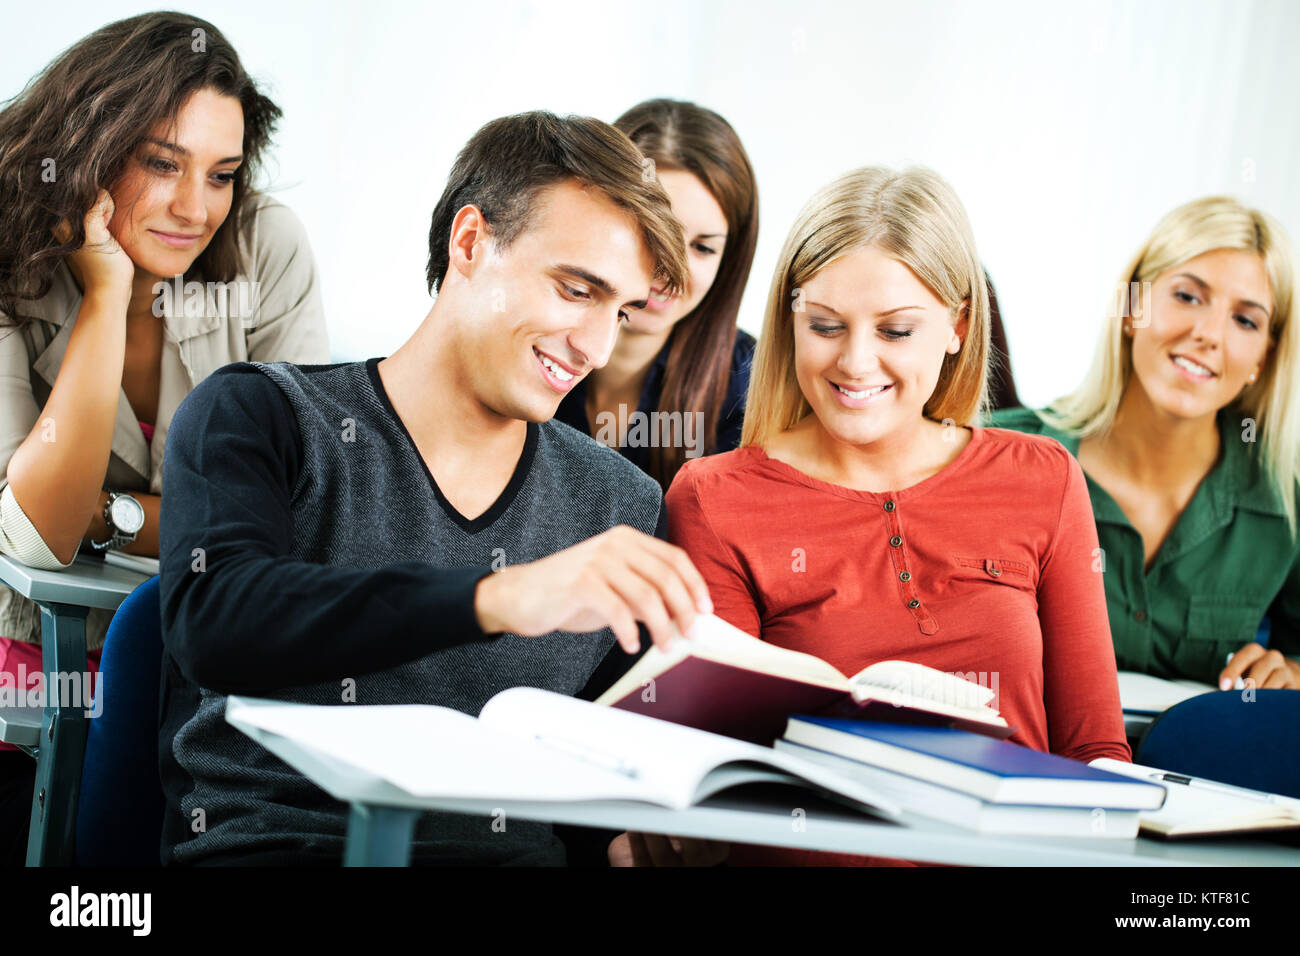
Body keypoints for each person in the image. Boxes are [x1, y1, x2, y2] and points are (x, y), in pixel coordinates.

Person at [158, 110, 717, 866]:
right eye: (577, 289)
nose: (596, 346)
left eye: (619, 310)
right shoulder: (259, 415)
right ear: (470, 243)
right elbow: (215, 621)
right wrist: (499, 598)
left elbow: (592, 789)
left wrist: (636, 834)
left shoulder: (619, 504)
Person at [666, 166, 1131, 866]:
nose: (856, 363)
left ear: (957, 327)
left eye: (895, 330)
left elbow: (1093, 749)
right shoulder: (713, 496)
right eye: (825, 326)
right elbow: (725, 772)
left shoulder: (1043, 478)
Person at [0, 12, 329, 864]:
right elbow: (38, 533)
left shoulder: (266, 250)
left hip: (201, 667)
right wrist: (106, 295)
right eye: (161, 163)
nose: (195, 208)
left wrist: (109, 515)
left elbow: (299, 513)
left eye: (221, 175)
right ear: (86, 146)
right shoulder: (7, 253)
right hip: (30, 653)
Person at [992, 197, 1300, 689]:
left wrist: (1290, 673)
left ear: (1262, 358)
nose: (1208, 335)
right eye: (1188, 296)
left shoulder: (1285, 499)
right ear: (1133, 309)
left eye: (1246, 321)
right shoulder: (998, 454)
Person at [554, 99, 758, 489]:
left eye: (703, 248)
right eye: (653, 233)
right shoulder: (529, 346)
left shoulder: (749, 387)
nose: (672, 270)